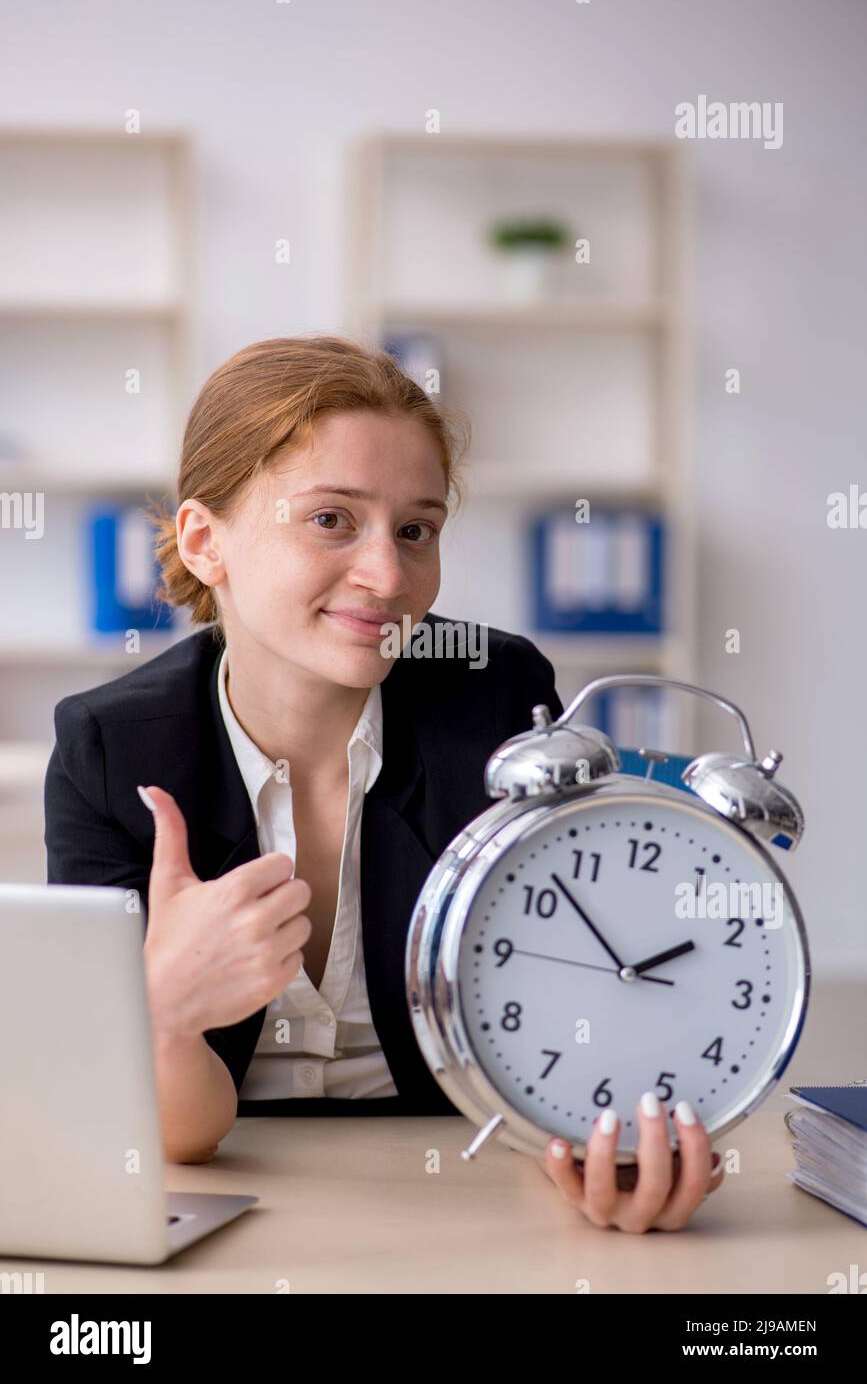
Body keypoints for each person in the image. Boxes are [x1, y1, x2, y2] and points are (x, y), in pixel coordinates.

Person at [44, 334, 725, 1233]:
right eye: (331, 518)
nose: (388, 576)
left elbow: (574, 999)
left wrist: (607, 1150)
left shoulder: (494, 697)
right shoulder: (109, 748)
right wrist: (163, 1012)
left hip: (461, 1188)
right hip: (229, 1194)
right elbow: (176, 1139)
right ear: (206, 541)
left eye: (416, 529)